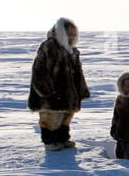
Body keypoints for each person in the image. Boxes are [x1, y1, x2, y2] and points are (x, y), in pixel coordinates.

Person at [28, 17, 91, 151]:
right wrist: (47, 92)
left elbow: (78, 73)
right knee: (50, 119)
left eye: (74, 35)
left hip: (68, 94)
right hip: (50, 95)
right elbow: (39, 71)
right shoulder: (49, 46)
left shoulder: (72, 51)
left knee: (65, 117)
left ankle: (63, 139)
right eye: (69, 34)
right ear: (61, 33)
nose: (71, 37)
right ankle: (50, 142)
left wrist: (81, 90)